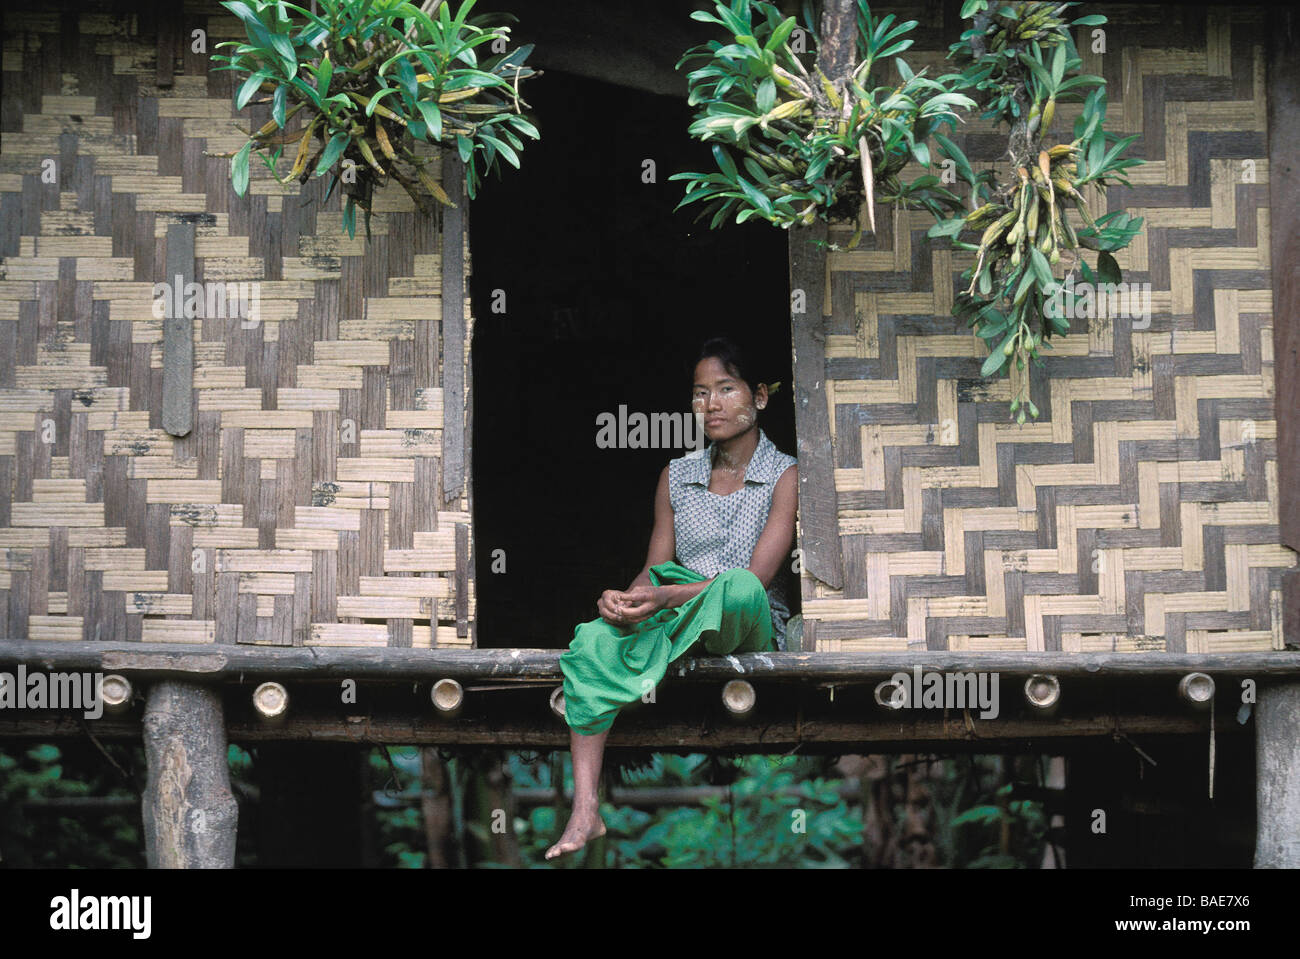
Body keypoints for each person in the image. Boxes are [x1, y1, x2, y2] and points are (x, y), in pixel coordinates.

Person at [544, 336, 799, 861]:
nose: (711, 405)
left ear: (761, 397)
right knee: (592, 639)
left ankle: (649, 649)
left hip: (743, 616)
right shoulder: (676, 475)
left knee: (739, 584)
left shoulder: (786, 475)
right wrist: (627, 599)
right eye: (700, 393)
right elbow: (653, 570)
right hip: (675, 611)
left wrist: (663, 597)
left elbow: (758, 576)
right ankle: (585, 808)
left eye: (727, 390)